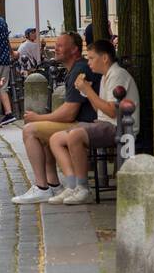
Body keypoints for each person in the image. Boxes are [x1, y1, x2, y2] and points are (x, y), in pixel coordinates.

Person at [12, 32, 100, 205]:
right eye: (56, 45)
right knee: (42, 129)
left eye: (60, 45)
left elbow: (69, 112)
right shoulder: (75, 69)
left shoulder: (80, 69)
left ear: (74, 49)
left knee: (30, 130)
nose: (55, 48)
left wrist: (38, 118)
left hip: (86, 125)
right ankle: (53, 184)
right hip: (81, 123)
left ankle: (42, 187)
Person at [46, 39, 138, 205]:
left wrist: (87, 90)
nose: (88, 63)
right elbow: (101, 109)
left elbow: (111, 111)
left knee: (75, 136)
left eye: (91, 58)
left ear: (104, 58)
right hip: (104, 123)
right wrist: (86, 91)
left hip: (119, 127)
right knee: (55, 139)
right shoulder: (104, 77)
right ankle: (72, 185)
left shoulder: (117, 75)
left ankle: (82, 188)